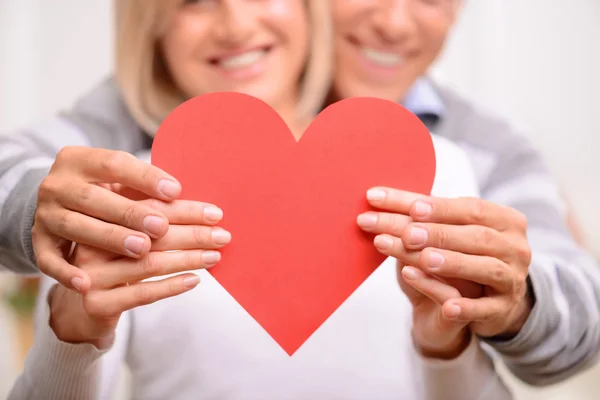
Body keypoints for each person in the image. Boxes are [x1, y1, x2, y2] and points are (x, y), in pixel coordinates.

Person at [5, 0, 511, 399]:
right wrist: (73, 328)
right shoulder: (123, 195)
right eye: (195, 1)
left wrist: (447, 345)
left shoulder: (433, 170)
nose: (235, 25)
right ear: (153, 30)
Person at [330, 0, 600, 386]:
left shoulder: (493, 145)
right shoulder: (235, 126)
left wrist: (515, 299)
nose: (394, 24)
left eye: (431, 0)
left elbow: (585, 321)